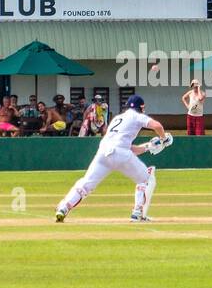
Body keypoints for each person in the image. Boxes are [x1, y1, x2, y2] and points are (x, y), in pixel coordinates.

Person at [55, 94, 170, 223]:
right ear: (141, 107)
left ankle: (63, 207)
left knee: (86, 184)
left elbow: (127, 148)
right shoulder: (137, 116)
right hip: (120, 153)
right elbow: (158, 126)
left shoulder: (117, 119)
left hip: (103, 153)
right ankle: (138, 213)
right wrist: (164, 139)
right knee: (146, 178)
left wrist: (149, 146)